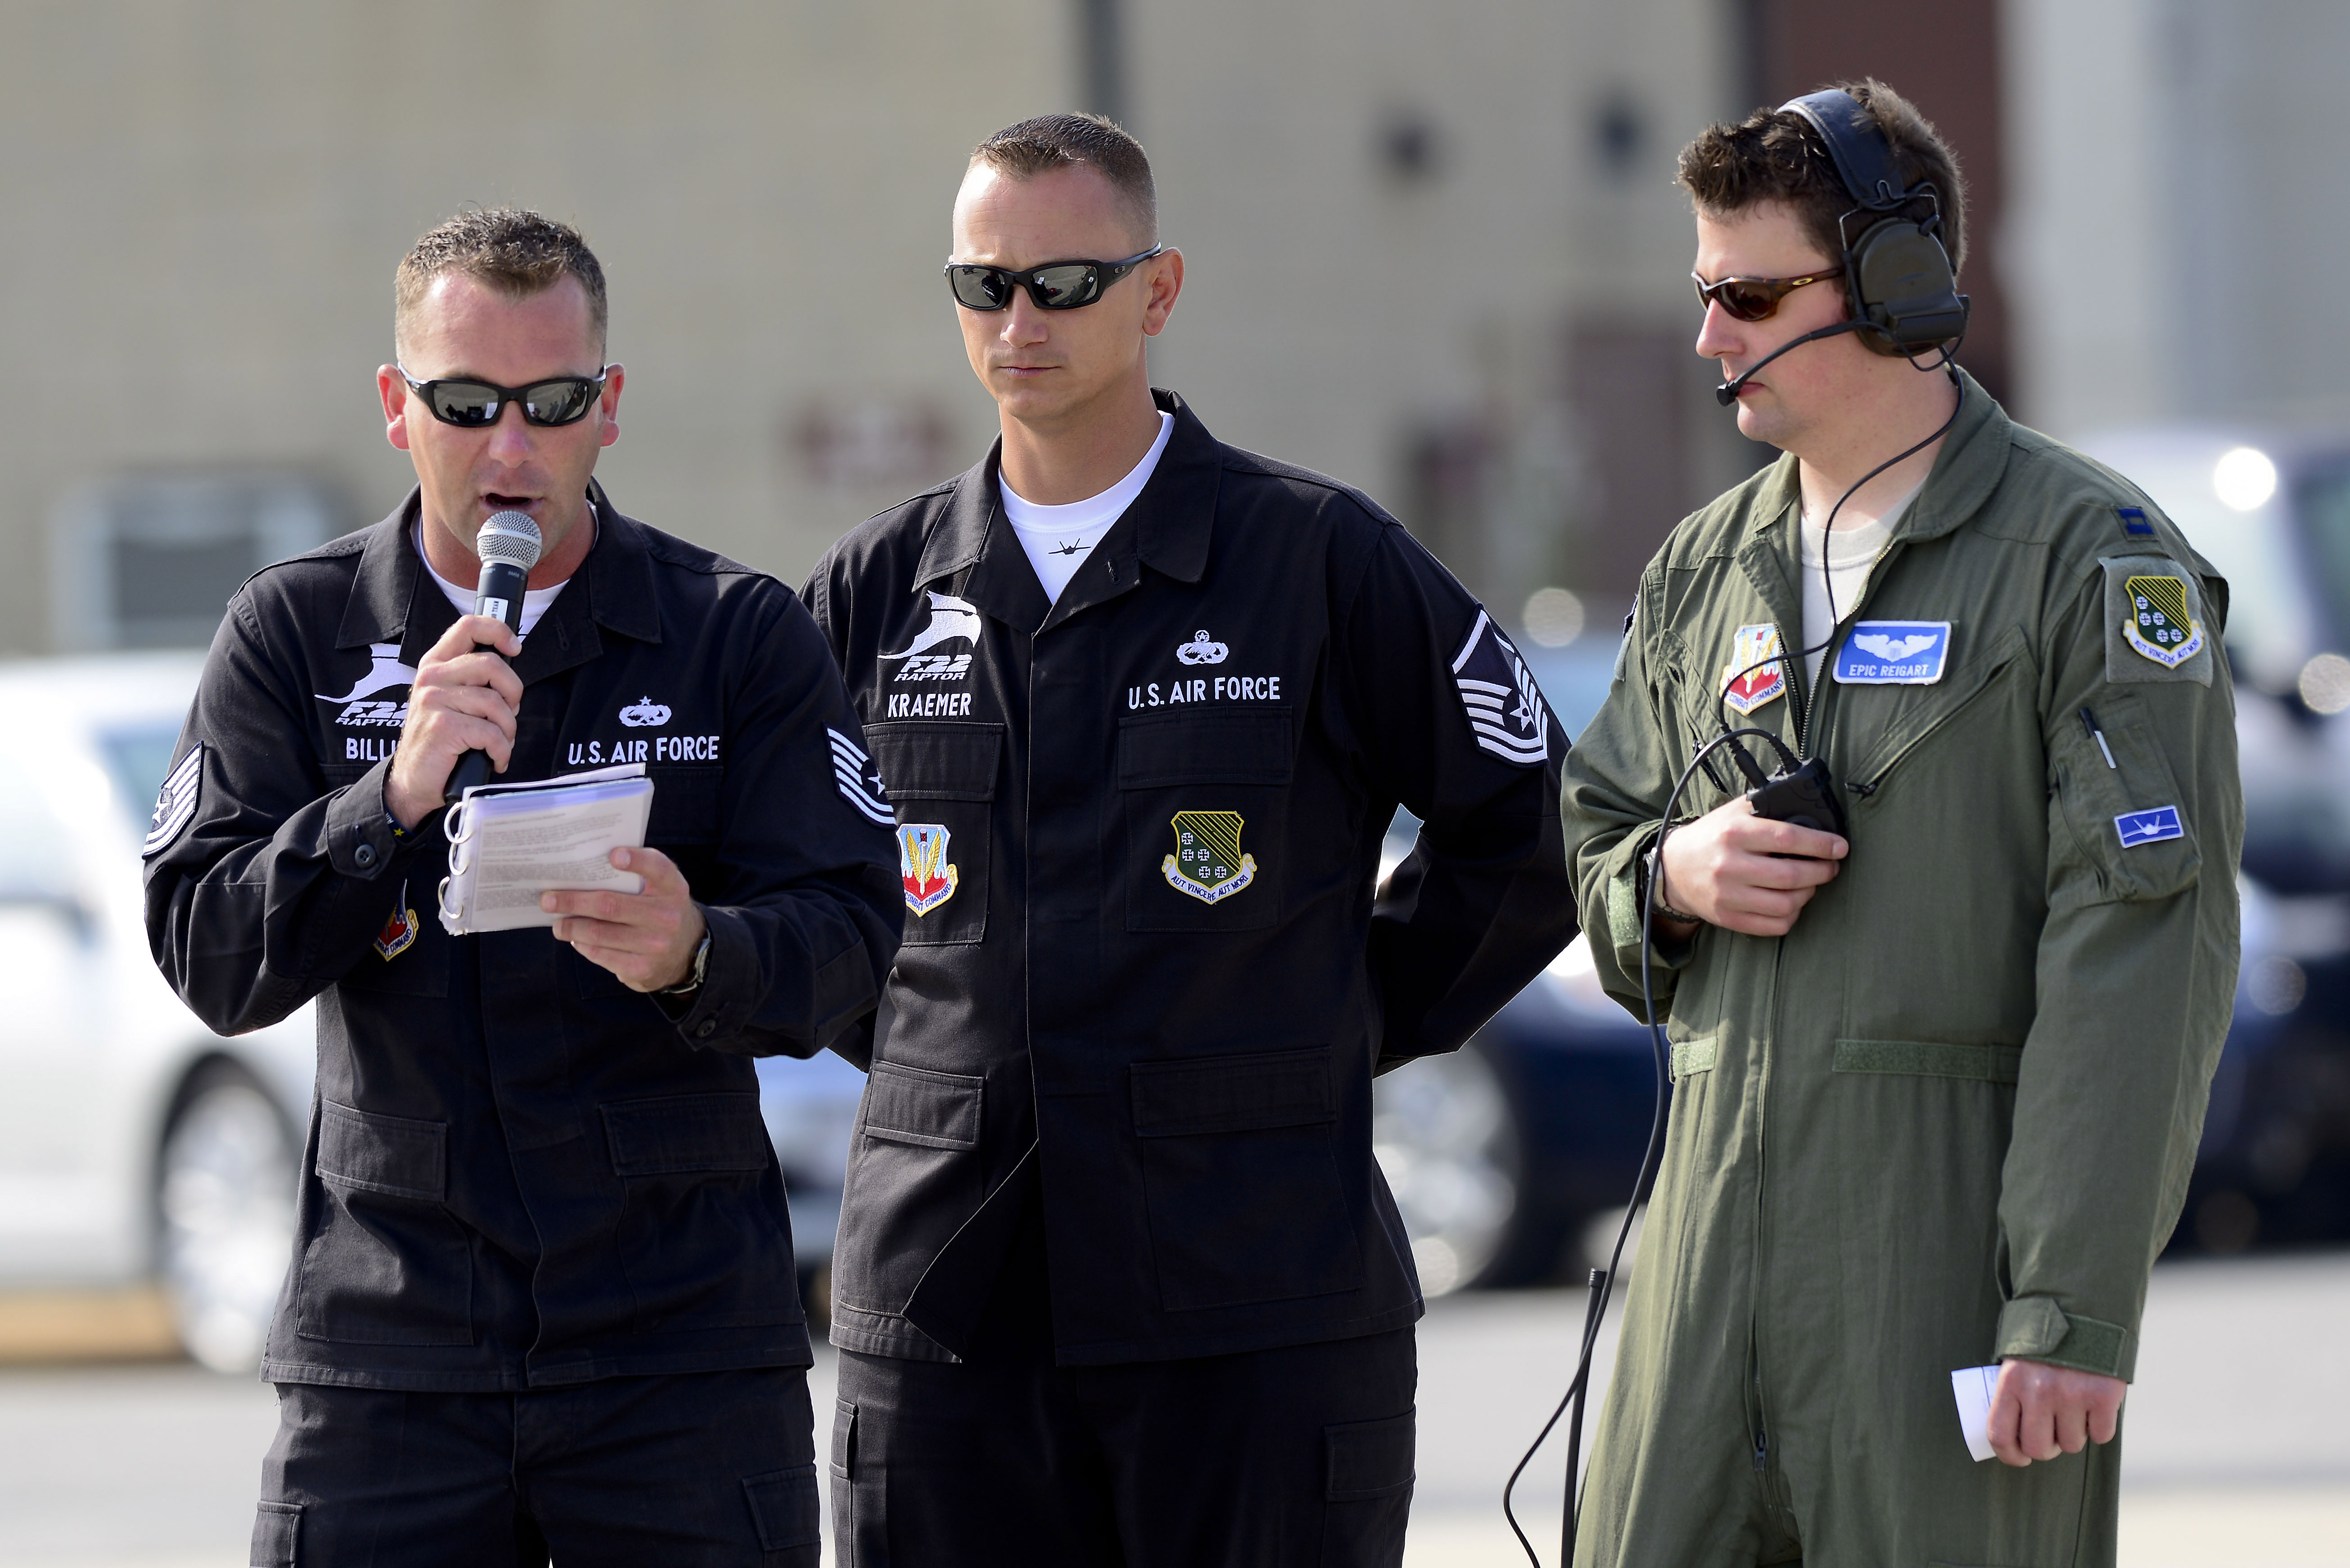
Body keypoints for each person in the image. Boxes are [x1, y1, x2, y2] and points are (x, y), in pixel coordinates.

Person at [799, 113, 1575, 1566]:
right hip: (951, 1308)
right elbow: (787, 872)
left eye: (1064, 284)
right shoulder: (877, 589)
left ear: (1157, 292)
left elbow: (1529, 827)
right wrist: (923, 1041)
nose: (1018, 321)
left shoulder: (1316, 559)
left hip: (1257, 1302)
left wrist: (1341, 1017)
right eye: (984, 286)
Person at [144, 208, 901, 1567]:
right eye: (467, 402)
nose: (510, 448)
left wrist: (697, 949)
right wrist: (385, 803)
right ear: (396, 406)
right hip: (395, 1350)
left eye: (552, 403)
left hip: (677, 1351)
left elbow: (855, 940)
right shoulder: (295, 632)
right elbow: (208, 949)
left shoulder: (735, 631)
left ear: (608, 408)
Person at [1559, 81, 2240, 1567]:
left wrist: (2066, 1306)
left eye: (1746, 294)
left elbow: (2137, 944)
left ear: (1894, 284)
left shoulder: (2090, 563)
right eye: (1701, 294)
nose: (1708, 338)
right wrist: (1668, 876)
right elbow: (1598, 834)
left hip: (1938, 1267)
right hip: (1695, 1269)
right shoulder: (1701, 570)